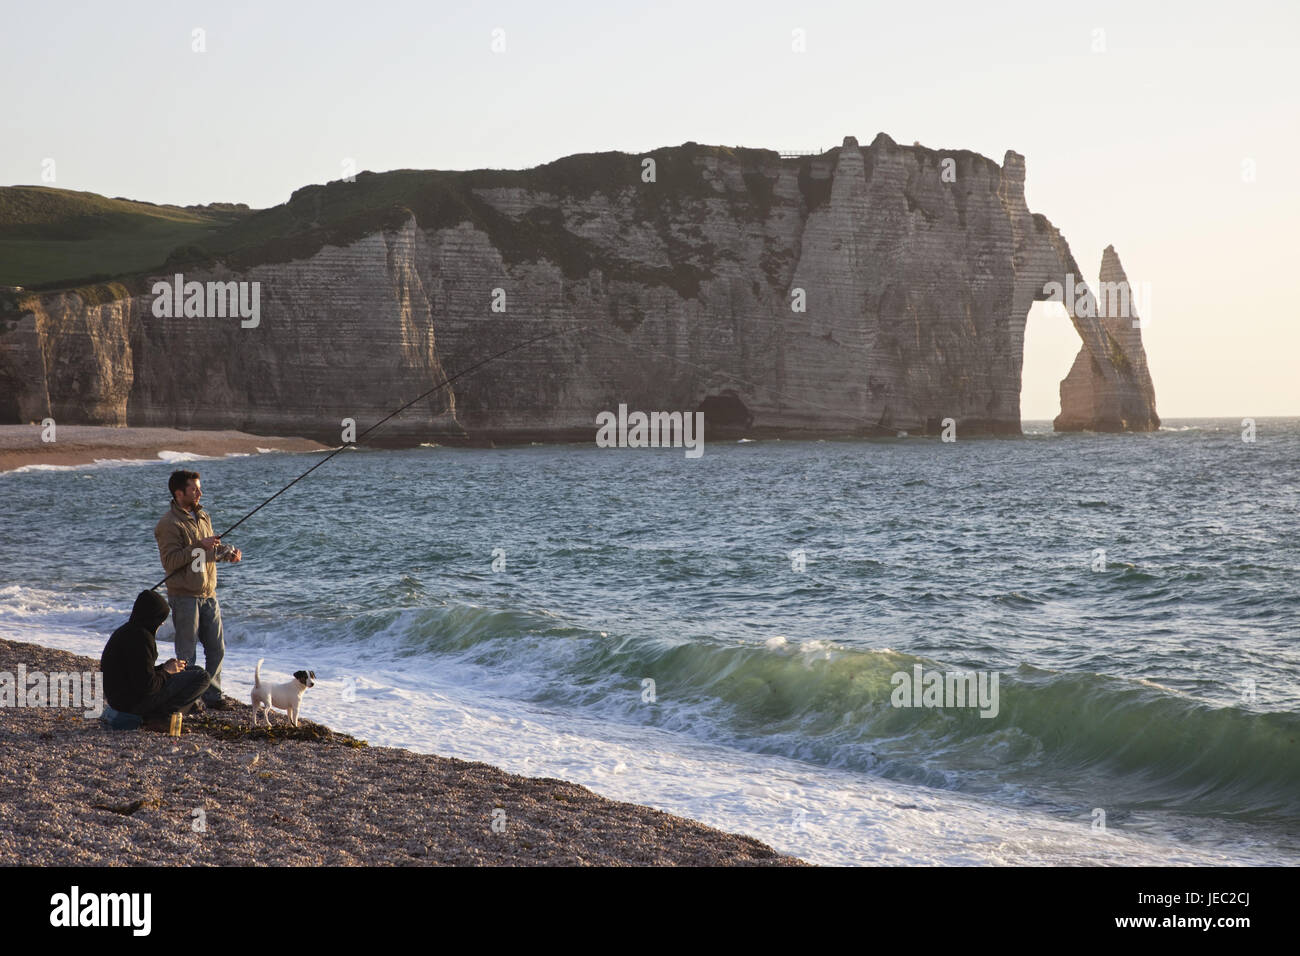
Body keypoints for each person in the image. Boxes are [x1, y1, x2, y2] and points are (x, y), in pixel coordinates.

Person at [154, 469, 242, 710]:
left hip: (208, 594)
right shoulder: (168, 524)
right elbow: (171, 562)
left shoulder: (202, 516)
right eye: (194, 489)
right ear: (179, 492)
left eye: (199, 488)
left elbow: (207, 551)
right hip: (184, 596)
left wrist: (227, 554)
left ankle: (213, 696)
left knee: (217, 649)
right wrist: (198, 545)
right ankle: (187, 698)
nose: (200, 492)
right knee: (187, 654)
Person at [101, 589, 210, 722]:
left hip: (121, 697)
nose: (162, 623)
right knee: (202, 677)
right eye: (161, 618)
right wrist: (167, 671)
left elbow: (138, 674)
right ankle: (162, 717)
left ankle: (163, 713)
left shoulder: (128, 630)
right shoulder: (141, 638)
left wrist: (164, 668)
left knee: (195, 670)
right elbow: (147, 686)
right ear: (152, 617)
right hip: (130, 704)